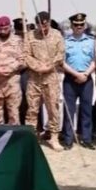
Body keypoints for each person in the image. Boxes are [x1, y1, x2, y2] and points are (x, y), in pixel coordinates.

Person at [24, 11, 65, 151]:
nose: (43, 28)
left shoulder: (57, 35)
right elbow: (26, 55)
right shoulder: (30, 36)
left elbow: (61, 54)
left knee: (53, 108)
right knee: (32, 109)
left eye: (46, 25)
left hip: (51, 78)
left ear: (49, 22)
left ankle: (54, 137)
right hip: (34, 79)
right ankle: (31, 138)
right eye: (40, 25)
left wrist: (49, 65)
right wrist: (37, 66)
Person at [61, 13, 96, 149]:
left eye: (81, 25)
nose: (79, 27)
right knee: (69, 110)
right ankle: (68, 139)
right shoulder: (65, 42)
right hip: (70, 78)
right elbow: (62, 62)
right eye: (76, 25)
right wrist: (75, 74)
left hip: (86, 78)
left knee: (87, 109)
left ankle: (86, 138)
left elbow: (95, 60)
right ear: (72, 26)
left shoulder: (91, 41)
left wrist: (86, 74)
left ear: (85, 25)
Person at [0, 16, 24, 126]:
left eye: (6, 28)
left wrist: (10, 69)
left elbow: (22, 59)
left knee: (13, 112)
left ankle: (14, 138)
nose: (3, 31)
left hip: (12, 81)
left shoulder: (17, 40)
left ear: (10, 27)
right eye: (0, 29)